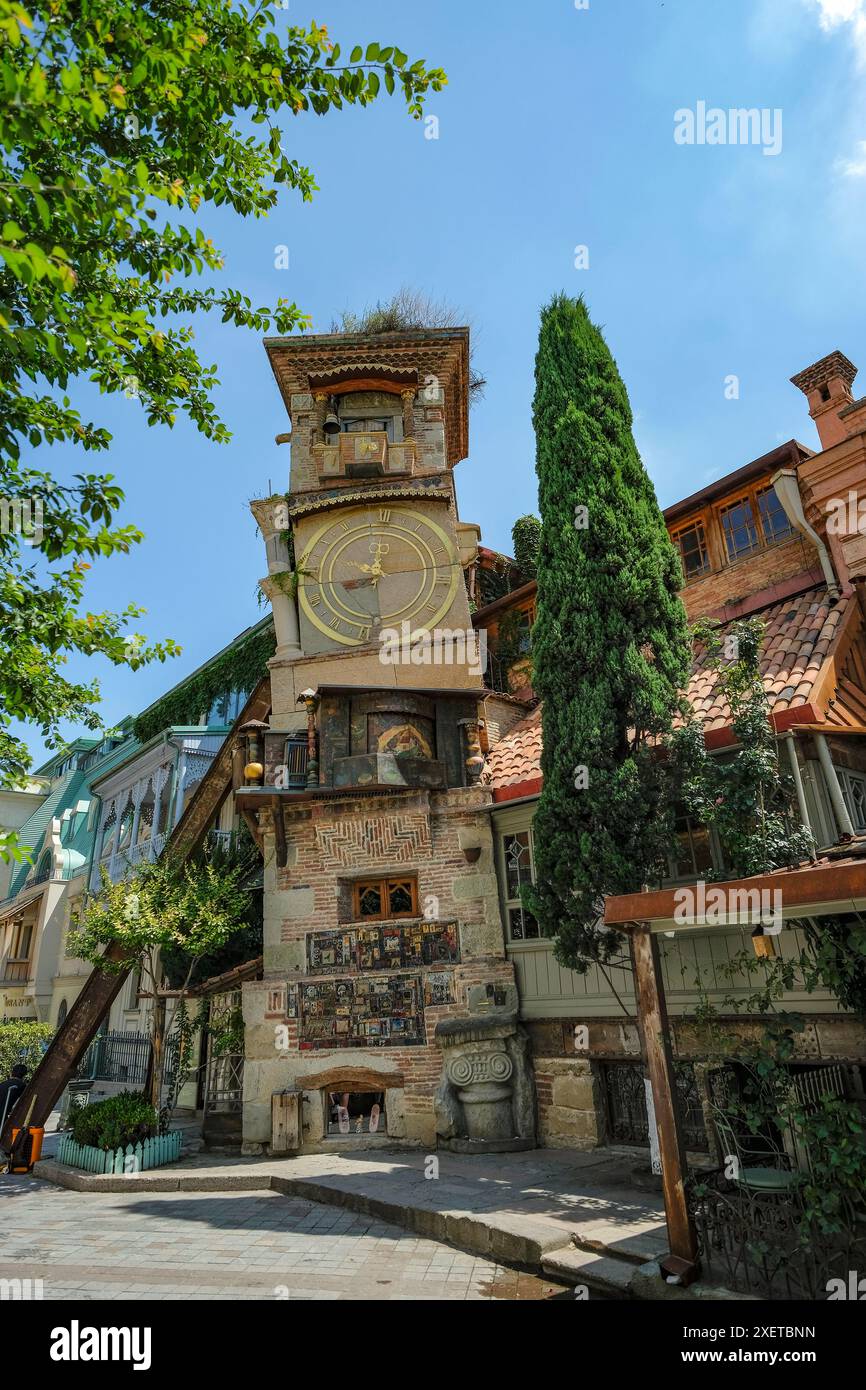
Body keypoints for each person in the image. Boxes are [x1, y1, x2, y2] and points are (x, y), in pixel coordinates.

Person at [0, 1064, 27, 1132]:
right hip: (2, 1118)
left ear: (12, 1072)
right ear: (24, 1075)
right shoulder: (21, 1085)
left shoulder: (3, 1084)